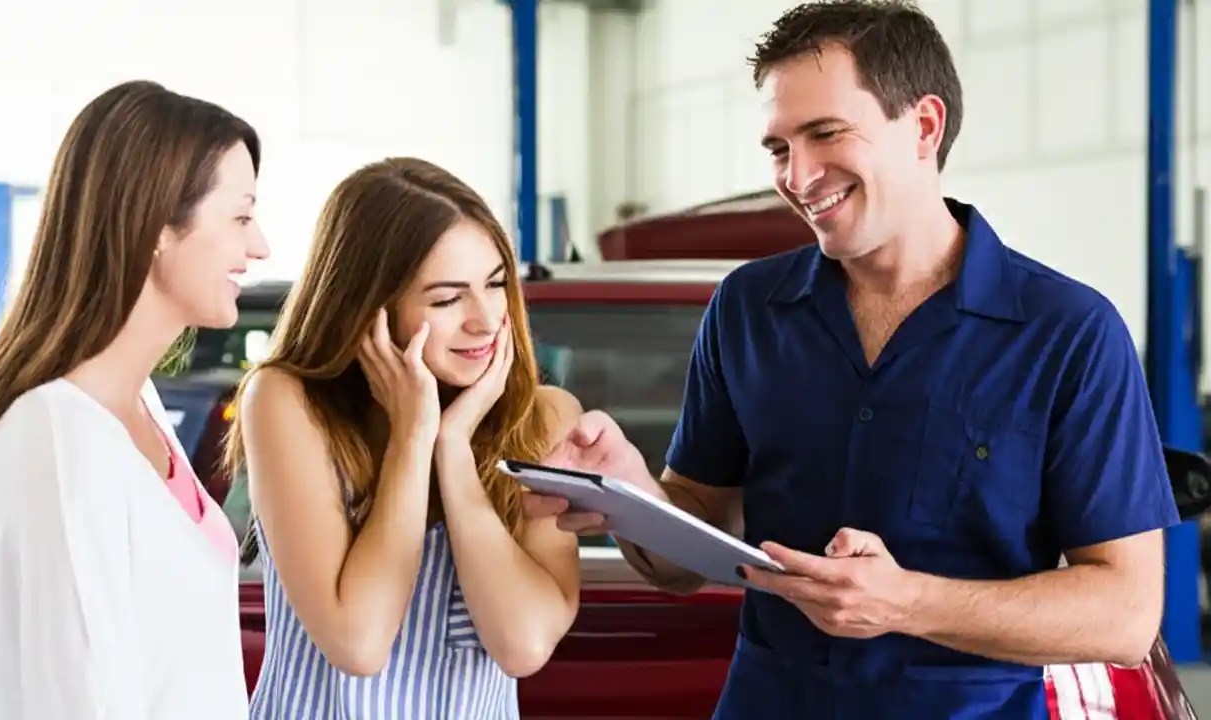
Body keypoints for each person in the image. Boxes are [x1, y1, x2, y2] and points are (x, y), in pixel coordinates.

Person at [526, 2, 1180, 718]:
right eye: (779, 148)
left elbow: (1124, 613)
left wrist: (908, 602)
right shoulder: (746, 310)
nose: (798, 175)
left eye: (826, 134)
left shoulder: (1069, 335)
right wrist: (632, 498)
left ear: (925, 126)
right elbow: (688, 556)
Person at [0, 80, 269, 719]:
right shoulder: (56, 437)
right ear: (156, 226)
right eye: (242, 216)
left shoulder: (132, 408)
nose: (260, 246)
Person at [223, 156, 583, 719]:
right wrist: (412, 441)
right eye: (446, 299)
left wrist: (453, 449)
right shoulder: (286, 403)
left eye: (494, 286)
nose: (486, 320)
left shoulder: (545, 418)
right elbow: (358, 643)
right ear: (369, 309)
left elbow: (524, 644)